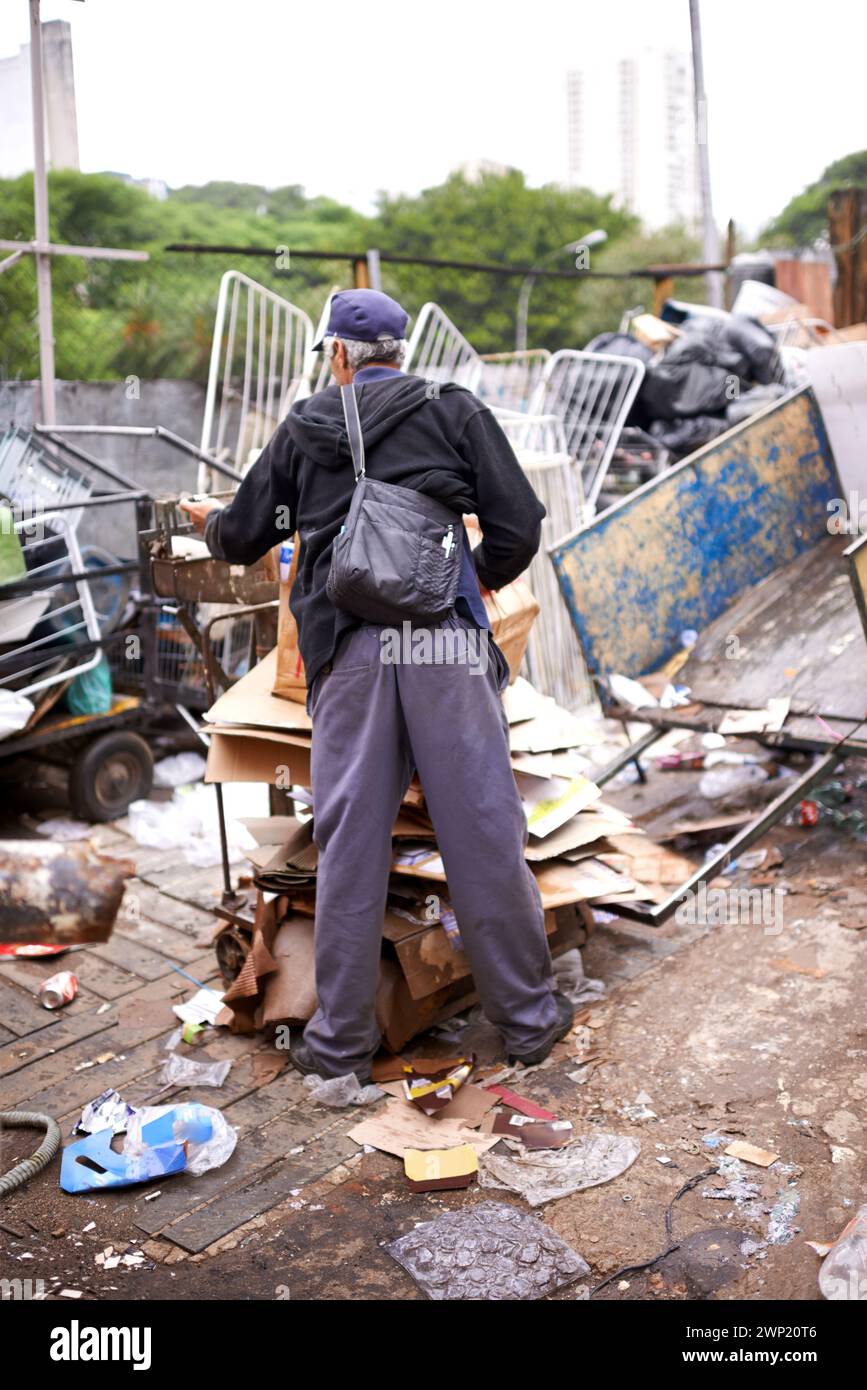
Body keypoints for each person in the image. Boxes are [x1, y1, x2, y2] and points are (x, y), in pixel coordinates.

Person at [182, 288, 573, 1082]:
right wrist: (470, 578)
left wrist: (204, 520)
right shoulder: (451, 410)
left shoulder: (305, 424)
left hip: (349, 652)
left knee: (350, 845)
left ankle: (337, 1048)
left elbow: (243, 535)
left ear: (336, 355)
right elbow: (519, 522)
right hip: (443, 651)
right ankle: (528, 1024)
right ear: (400, 351)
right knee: (482, 834)